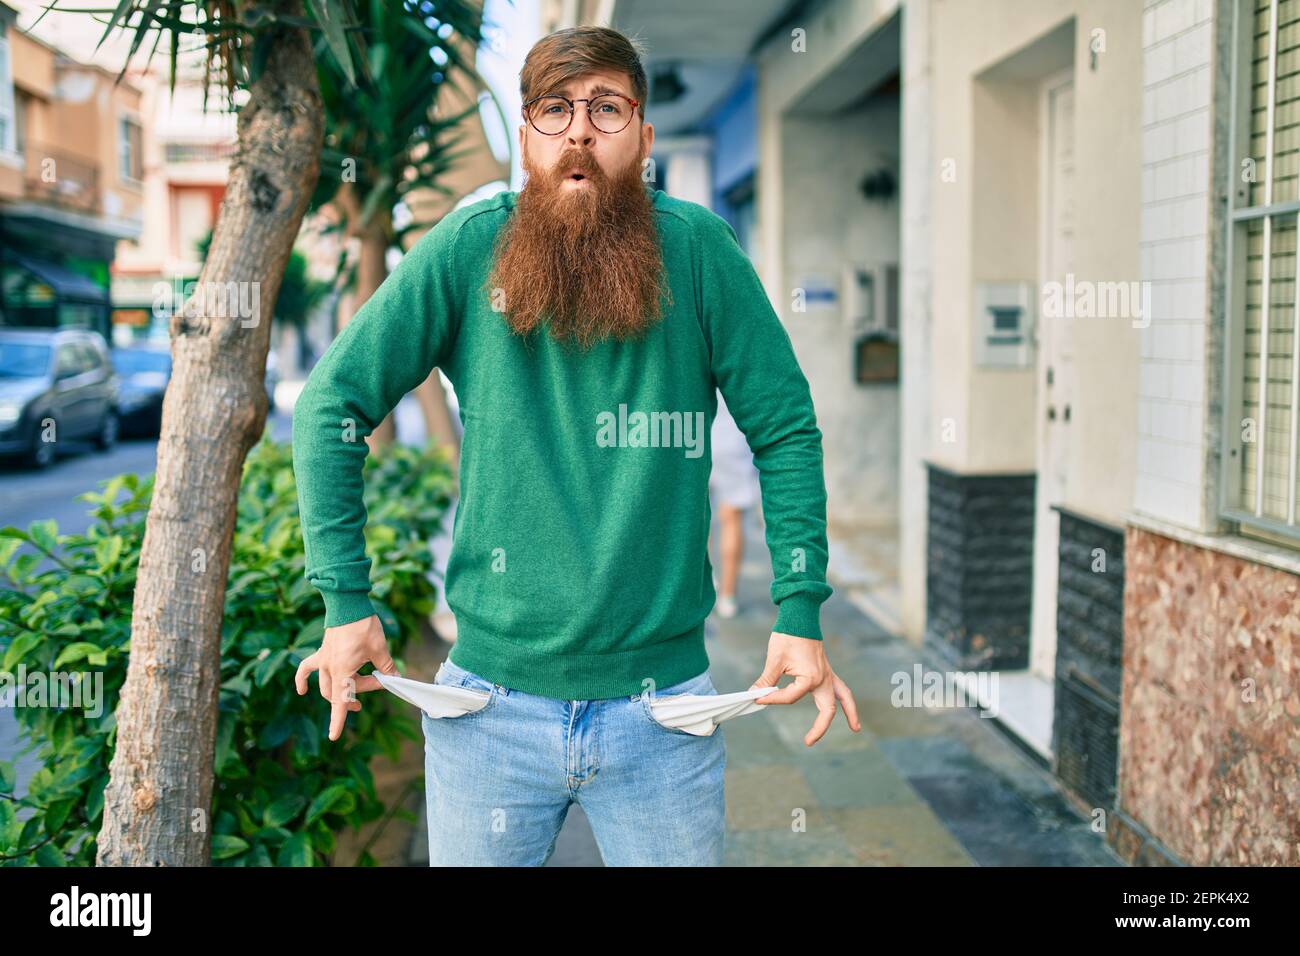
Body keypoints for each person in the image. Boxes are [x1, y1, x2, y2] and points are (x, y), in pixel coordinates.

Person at [291, 25, 859, 867]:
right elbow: (330, 404)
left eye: (606, 107)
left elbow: (784, 425)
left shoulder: (699, 251)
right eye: (555, 110)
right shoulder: (466, 248)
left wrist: (801, 604)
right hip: (489, 713)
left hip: (661, 714)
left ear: (643, 136)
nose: (581, 131)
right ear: (526, 137)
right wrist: (345, 601)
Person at [708, 388, 761, 619]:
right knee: (731, 519)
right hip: (733, 440)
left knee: (697, 515)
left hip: (696, 433)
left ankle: (706, 581)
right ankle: (727, 597)